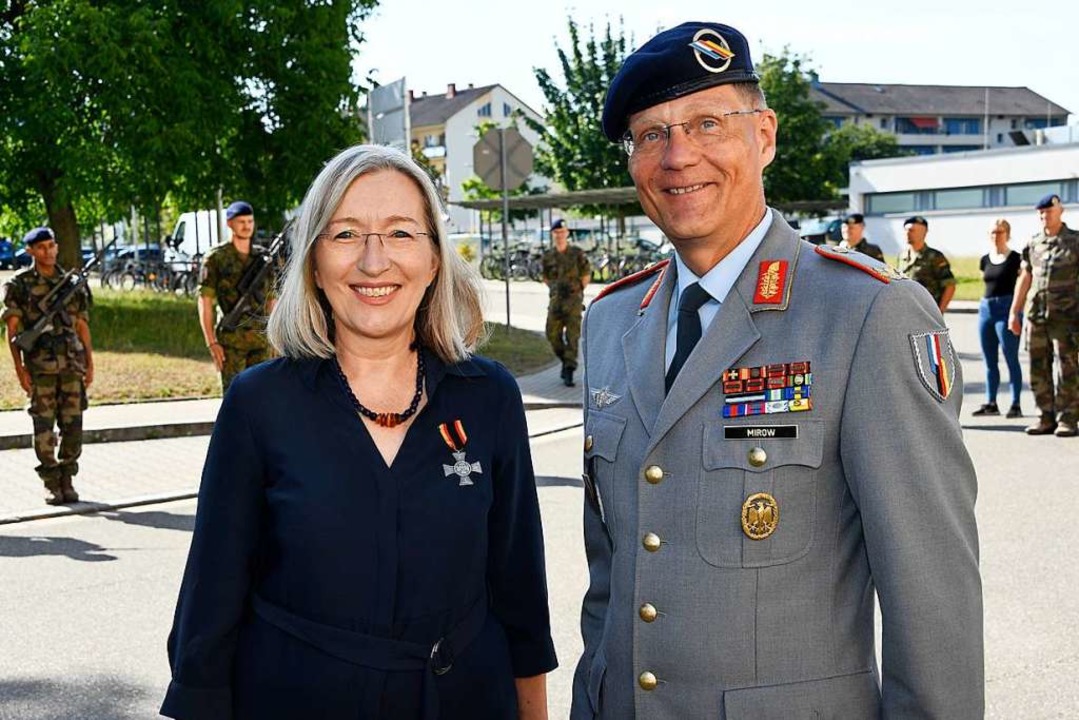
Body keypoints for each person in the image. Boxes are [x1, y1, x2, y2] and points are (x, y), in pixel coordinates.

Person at [572, 21, 982, 719]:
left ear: (763, 136)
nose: (678, 156)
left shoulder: (865, 314)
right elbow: (609, 581)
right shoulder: (610, 321)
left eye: (706, 123)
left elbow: (931, 596)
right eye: (651, 134)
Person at [162, 144, 556, 720]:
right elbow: (210, 604)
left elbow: (520, 588)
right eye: (346, 234)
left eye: (400, 233)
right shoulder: (258, 404)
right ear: (313, 264)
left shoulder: (489, 396)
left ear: (434, 259)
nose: (374, 262)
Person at [2, 227, 94, 505]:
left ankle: (68, 479)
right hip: (40, 368)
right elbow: (12, 331)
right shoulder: (19, 284)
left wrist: (89, 362)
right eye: (41, 247)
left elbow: (81, 325)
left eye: (52, 245)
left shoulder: (71, 283)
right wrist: (20, 370)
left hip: (72, 365)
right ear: (30, 251)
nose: (48, 251)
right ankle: (51, 482)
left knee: (73, 425)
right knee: (43, 427)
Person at [1008, 193, 1079, 436]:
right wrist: (1014, 311)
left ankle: (1068, 418)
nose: (1044, 215)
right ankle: (1044, 417)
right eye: (1041, 212)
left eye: (1049, 211)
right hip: (1036, 315)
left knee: (1068, 369)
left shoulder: (1074, 241)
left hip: (1067, 317)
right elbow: (1025, 277)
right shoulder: (1033, 244)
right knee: (1037, 368)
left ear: (1061, 211)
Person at [197, 200, 275, 393]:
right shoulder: (216, 258)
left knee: (262, 398)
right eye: (241, 222)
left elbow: (272, 301)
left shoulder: (264, 259)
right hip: (231, 343)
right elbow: (205, 301)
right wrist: (211, 342)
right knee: (234, 397)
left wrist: (275, 338)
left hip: (261, 341)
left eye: (250, 221)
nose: (247, 226)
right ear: (229, 223)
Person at [974, 219, 1023, 418]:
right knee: (989, 360)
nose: (996, 236)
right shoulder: (985, 259)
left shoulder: (1016, 259)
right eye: (993, 232)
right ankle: (991, 402)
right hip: (986, 309)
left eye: (1000, 232)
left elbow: (1022, 284)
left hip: (1007, 308)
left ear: (1007, 234)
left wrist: (1016, 312)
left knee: (1011, 357)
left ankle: (1015, 403)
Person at [541, 218, 591, 386]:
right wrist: (555, 289)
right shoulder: (548, 256)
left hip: (573, 302)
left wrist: (576, 291)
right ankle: (565, 360)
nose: (560, 235)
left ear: (567, 233)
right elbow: (545, 277)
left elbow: (586, 275)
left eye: (562, 232)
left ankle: (569, 369)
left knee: (572, 336)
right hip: (556, 301)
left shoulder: (577, 253)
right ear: (553, 234)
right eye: (557, 232)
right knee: (552, 334)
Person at [897, 215, 957, 312]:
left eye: (912, 230)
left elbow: (950, 285)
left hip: (928, 311)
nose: (907, 233)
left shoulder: (935, 256)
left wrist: (940, 311)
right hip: (906, 310)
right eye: (906, 230)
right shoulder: (902, 256)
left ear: (924, 233)